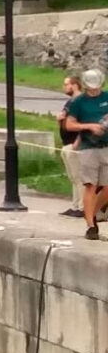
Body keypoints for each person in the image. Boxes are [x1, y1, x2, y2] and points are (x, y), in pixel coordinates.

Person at [66, 68, 108, 240]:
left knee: (107, 186)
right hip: (88, 147)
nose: (94, 91)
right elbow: (69, 125)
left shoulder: (106, 97)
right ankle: (91, 225)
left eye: (96, 87)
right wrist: (89, 126)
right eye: (91, 88)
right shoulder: (79, 102)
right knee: (90, 184)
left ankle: (93, 211)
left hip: (106, 146)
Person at [60, 74, 85, 219]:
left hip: (75, 144)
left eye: (66, 84)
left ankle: (82, 206)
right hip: (66, 143)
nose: (64, 87)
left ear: (75, 85)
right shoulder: (70, 102)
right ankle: (74, 205)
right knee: (73, 177)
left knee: (79, 176)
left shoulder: (80, 102)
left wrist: (78, 142)